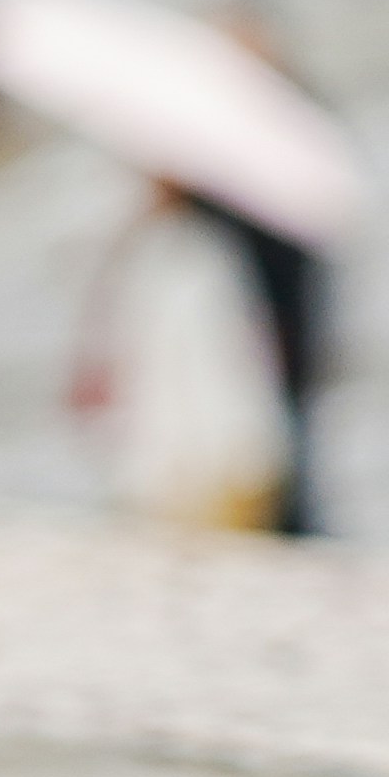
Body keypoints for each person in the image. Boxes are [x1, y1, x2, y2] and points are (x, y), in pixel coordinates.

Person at [71, 176, 336, 537]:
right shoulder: (178, 248)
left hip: (205, 444)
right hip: (201, 438)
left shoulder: (197, 254)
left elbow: (212, 370)